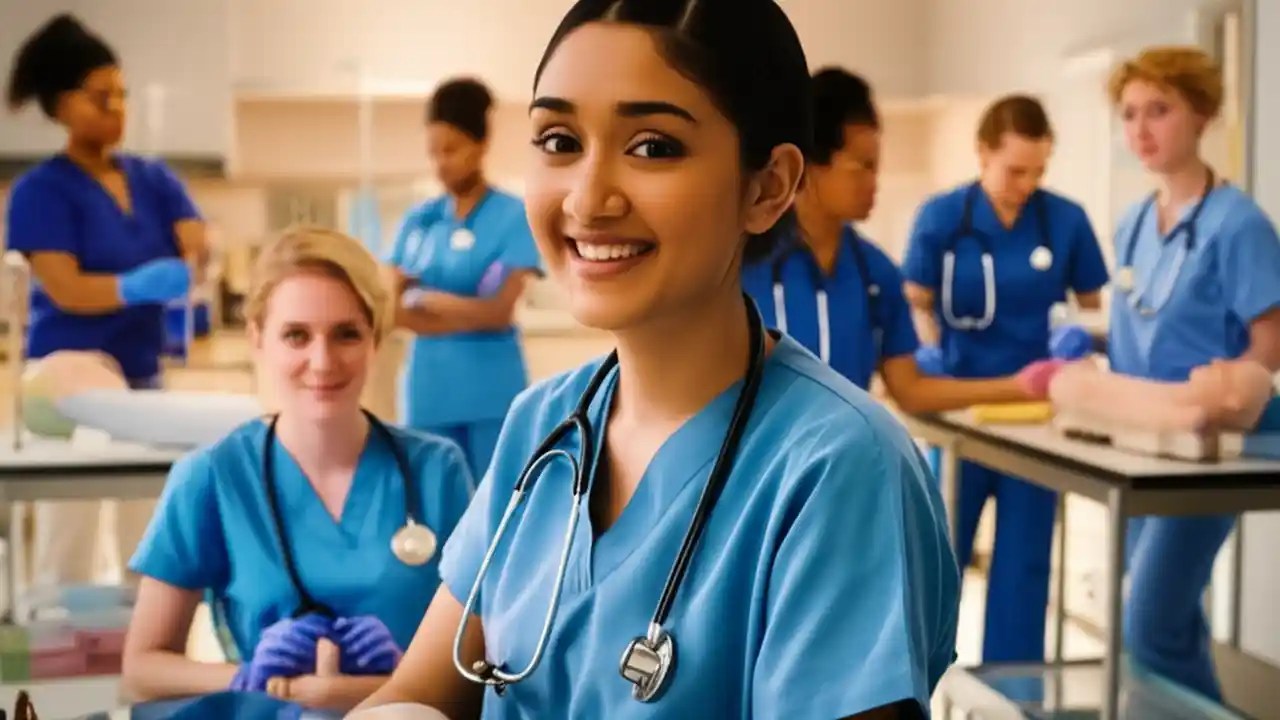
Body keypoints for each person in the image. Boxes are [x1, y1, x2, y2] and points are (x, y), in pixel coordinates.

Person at [355, 1, 959, 718]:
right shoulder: (543, 426)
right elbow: (417, 693)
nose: (587, 198)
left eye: (653, 147)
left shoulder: (839, 468)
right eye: (557, 139)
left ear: (767, 187)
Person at [122, 228, 477, 712]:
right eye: (296, 335)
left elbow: (482, 663)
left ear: (376, 338)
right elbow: (143, 669)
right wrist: (250, 678)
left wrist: (391, 684)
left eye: (346, 334)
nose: (322, 360)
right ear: (257, 340)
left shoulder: (437, 471)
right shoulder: (212, 477)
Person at [900, 94, 1111, 664]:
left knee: (1024, 570)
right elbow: (915, 299)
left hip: (1036, 423)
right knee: (936, 566)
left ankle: (1009, 695)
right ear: (983, 152)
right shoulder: (944, 216)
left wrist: (1078, 342)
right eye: (1015, 170)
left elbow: (1092, 314)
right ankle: (918, 690)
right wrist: (928, 349)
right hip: (962, 414)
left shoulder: (1064, 220)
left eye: (1038, 171)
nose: (1027, 183)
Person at [4, 14, 205, 592]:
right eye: (101, 97)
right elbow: (64, 288)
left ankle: (140, 658)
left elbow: (195, 240)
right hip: (68, 382)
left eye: (122, 94)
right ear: (62, 105)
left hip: (141, 377)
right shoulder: (40, 191)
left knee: (149, 536)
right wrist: (133, 286)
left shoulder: (153, 178)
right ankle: (63, 661)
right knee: (72, 534)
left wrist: (198, 250)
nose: (117, 107)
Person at [1105, 46, 1280, 701]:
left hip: (1211, 448)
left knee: (1149, 627)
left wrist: (1224, 387)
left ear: (1202, 115)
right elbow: (1135, 324)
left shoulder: (1239, 225)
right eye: (1128, 114)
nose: (1140, 129)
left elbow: (1270, 344)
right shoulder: (1131, 224)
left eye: (1159, 110)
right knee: (1170, 623)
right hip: (1142, 444)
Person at [743, 67, 1057, 409]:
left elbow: (911, 390)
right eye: (863, 166)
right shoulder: (744, 261)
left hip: (842, 456)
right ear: (812, 163)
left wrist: (1022, 385)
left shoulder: (875, 273)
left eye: (876, 167)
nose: (875, 182)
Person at [386, 77, 543, 479]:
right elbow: (390, 309)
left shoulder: (512, 216)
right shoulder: (420, 220)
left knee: (498, 507)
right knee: (431, 512)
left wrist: (427, 300)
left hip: (491, 394)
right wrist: (463, 310)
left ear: (481, 144)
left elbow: (498, 312)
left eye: (451, 149)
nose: (441, 162)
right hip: (429, 393)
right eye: (433, 152)